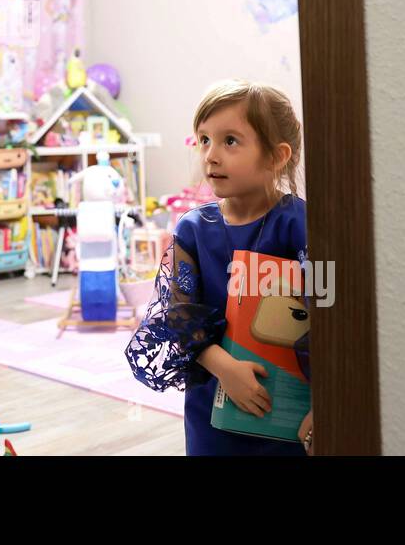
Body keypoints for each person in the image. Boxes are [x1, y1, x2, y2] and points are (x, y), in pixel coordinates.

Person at [126, 79, 313, 455]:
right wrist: (224, 367)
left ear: (276, 156)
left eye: (230, 141)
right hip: (213, 411)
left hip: (292, 413)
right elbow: (176, 316)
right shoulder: (192, 230)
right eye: (204, 140)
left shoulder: (303, 225)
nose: (211, 155)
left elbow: (332, 310)